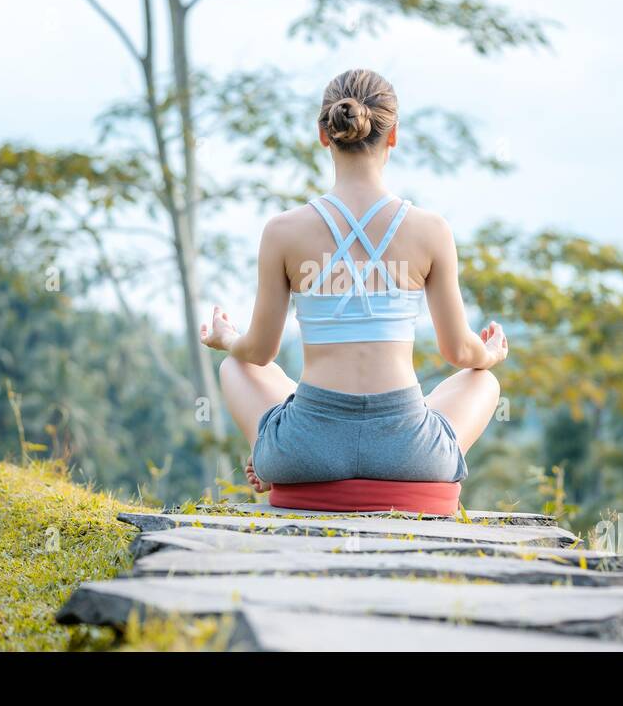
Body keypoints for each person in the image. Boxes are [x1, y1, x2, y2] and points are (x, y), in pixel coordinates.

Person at [200, 68, 508, 492]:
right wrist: (488, 353)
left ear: (324, 134)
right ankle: (397, 465)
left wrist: (225, 338)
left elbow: (258, 351)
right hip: (410, 452)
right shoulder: (431, 229)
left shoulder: (283, 230)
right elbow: (459, 351)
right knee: (482, 381)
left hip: (305, 449)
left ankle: (273, 456)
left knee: (235, 365)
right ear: (393, 135)